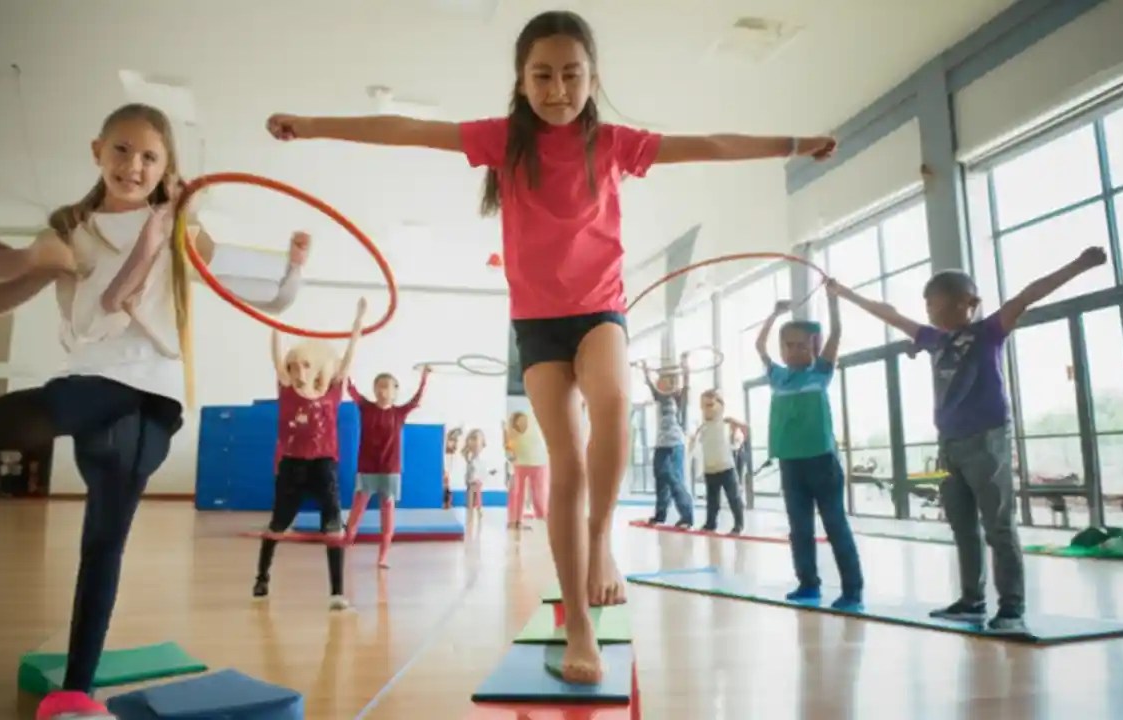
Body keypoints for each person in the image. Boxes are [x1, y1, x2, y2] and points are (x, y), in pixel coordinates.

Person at [264, 9, 835, 683]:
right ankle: (581, 629)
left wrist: (793, 142)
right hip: (537, 324)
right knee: (566, 459)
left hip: (601, 309)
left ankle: (600, 546)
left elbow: (707, 143)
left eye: (571, 74)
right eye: (542, 75)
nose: (558, 89)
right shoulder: (504, 141)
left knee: (615, 407)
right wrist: (313, 124)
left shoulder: (617, 144)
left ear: (593, 77)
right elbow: (408, 131)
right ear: (521, 80)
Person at [0, 103, 310, 719]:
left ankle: (76, 690)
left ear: (167, 166)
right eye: (121, 150)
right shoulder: (70, 230)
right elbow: (93, 321)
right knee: (19, 442)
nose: (134, 165)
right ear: (97, 151)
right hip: (92, 382)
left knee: (104, 541)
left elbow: (264, 295)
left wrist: (295, 270)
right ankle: (75, 692)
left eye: (150, 156)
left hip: (154, 397)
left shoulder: (181, 231)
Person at [830, 246, 1108, 633]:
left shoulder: (988, 332)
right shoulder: (932, 339)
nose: (929, 311)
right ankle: (971, 600)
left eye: (936, 304)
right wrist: (844, 293)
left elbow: (1027, 295)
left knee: (998, 525)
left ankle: (1011, 608)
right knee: (962, 525)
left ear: (966, 303)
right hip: (950, 442)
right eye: (926, 305)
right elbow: (888, 313)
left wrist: (1079, 264)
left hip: (987, 437)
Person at [253, 300, 366, 610]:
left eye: (304, 365)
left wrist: (358, 321)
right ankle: (262, 576)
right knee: (278, 524)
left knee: (333, 526)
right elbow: (275, 354)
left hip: (324, 465)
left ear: (315, 367)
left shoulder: (332, 393)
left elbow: (348, 358)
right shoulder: (287, 391)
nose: (298, 370)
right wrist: (276, 317)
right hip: (291, 466)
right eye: (293, 365)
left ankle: (337, 593)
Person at [756, 294, 864, 610]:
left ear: (813, 347)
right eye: (787, 345)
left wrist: (832, 299)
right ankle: (807, 584)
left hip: (822, 463)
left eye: (801, 345)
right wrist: (774, 314)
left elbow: (836, 333)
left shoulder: (820, 373)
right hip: (791, 463)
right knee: (799, 528)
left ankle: (852, 590)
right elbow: (759, 346)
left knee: (835, 525)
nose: (794, 350)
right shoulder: (777, 377)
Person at [344, 368, 431, 567]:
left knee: (388, 512)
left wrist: (424, 379)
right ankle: (348, 539)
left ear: (395, 391)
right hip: (367, 467)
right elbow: (351, 389)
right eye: (379, 387)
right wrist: (346, 369)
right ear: (374, 390)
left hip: (390, 469)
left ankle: (383, 555)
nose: (383, 391)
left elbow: (416, 400)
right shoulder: (366, 407)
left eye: (387, 387)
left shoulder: (399, 412)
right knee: (358, 508)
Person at [637, 357, 695, 528]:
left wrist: (685, 369)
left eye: (661, 381)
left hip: (675, 444)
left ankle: (687, 517)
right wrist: (645, 369)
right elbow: (650, 384)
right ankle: (660, 515)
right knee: (661, 479)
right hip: (661, 445)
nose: (658, 383)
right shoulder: (660, 398)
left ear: (669, 383)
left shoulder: (679, 398)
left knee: (675, 479)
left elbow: (686, 383)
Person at [689, 390, 747, 534]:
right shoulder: (702, 427)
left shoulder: (725, 423)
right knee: (712, 501)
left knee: (734, 497)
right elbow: (695, 447)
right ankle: (710, 523)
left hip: (726, 467)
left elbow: (744, 430)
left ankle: (738, 524)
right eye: (703, 406)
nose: (706, 410)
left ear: (720, 406)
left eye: (710, 405)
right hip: (710, 469)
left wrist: (735, 424)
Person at [506, 411, 549, 529]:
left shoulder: (534, 429)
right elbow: (509, 450)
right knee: (517, 493)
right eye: (519, 422)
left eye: (524, 422)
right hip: (521, 465)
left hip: (538, 464)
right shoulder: (512, 435)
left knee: (539, 492)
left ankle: (542, 515)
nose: (522, 424)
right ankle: (516, 519)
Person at [462, 428, 491, 515]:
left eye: (476, 440)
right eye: (473, 439)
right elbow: (470, 470)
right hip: (471, 480)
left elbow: (481, 470)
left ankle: (477, 508)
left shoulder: (479, 459)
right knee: (471, 494)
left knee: (476, 494)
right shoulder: (470, 459)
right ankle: (472, 508)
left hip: (476, 480)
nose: (475, 443)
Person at [443, 427, 464, 509]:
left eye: (455, 441)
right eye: (452, 440)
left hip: (448, 480)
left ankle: (448, 502)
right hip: (444, 478)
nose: (454, 443)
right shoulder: (443, 455)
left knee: (448, 488)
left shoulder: (453, 456)